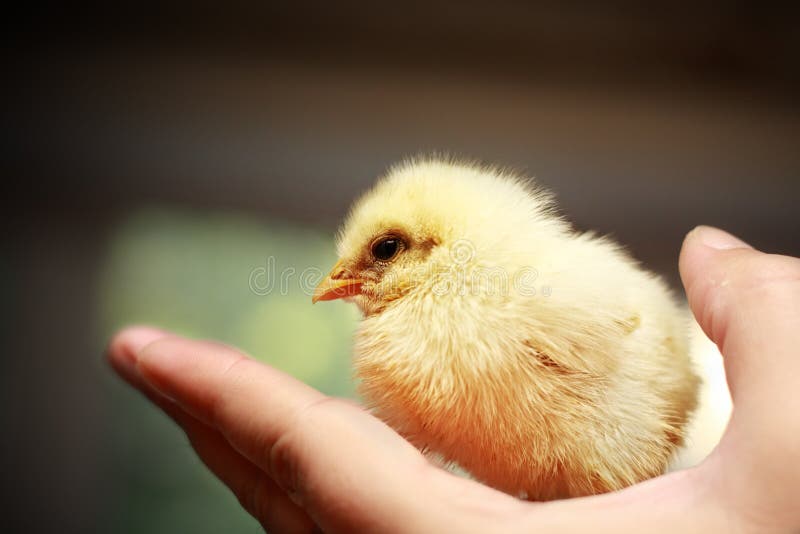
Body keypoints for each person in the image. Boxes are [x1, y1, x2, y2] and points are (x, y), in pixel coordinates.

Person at [107, 226, 800, 533]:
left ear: (433, 243)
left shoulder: (523, 294)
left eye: (380, 253)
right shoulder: (424, 335)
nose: (344, 281)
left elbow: (639, 349)